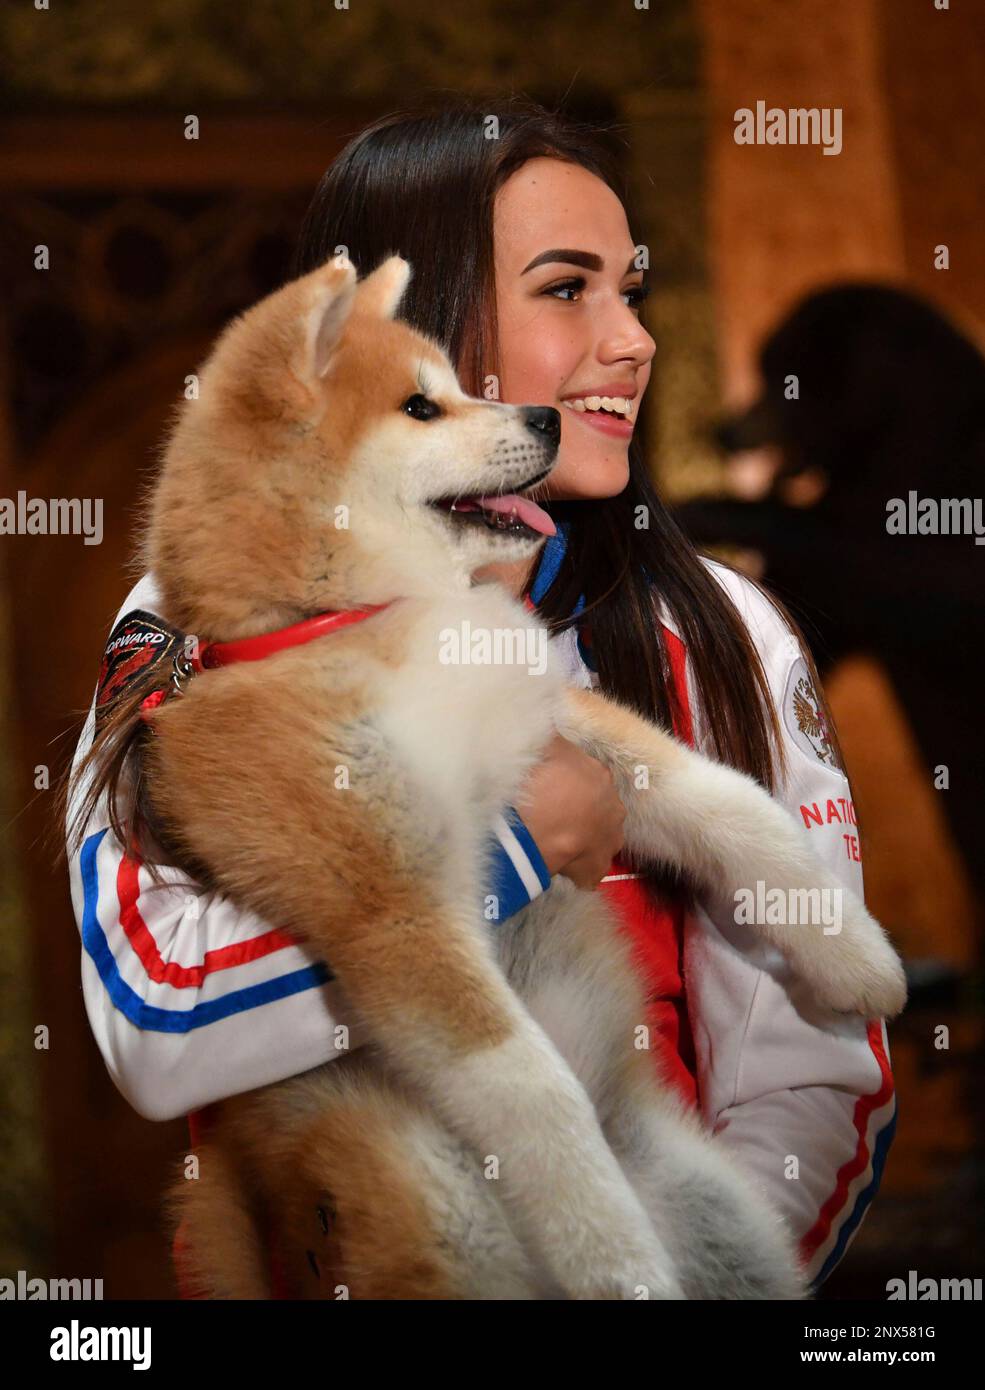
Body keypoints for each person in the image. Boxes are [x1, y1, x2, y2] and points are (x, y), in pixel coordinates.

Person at [65, 95, 896, 1297]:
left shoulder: (712, 627)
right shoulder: (182, 623)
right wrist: (509, 850)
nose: (632, 339)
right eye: (567, 289)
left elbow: (812, 1073)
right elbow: (158, 1023)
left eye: (632, 289)